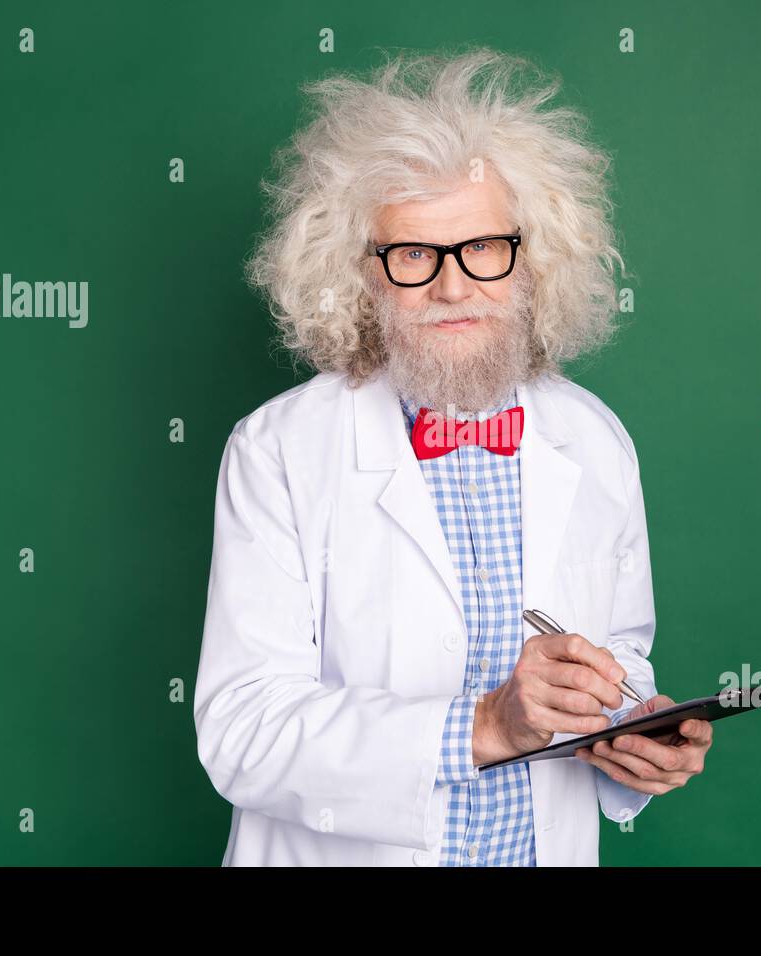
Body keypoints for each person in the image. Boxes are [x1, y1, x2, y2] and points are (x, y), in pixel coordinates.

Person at [193, 47, 712, 867]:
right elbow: (245, 733)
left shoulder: (595, 438)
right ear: (360, 277)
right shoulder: (279, 450)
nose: (453, 287)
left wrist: (632, 733)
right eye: (413, 255)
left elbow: (621, 654)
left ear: (534, 261)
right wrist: (487, 724)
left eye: (484, 248)